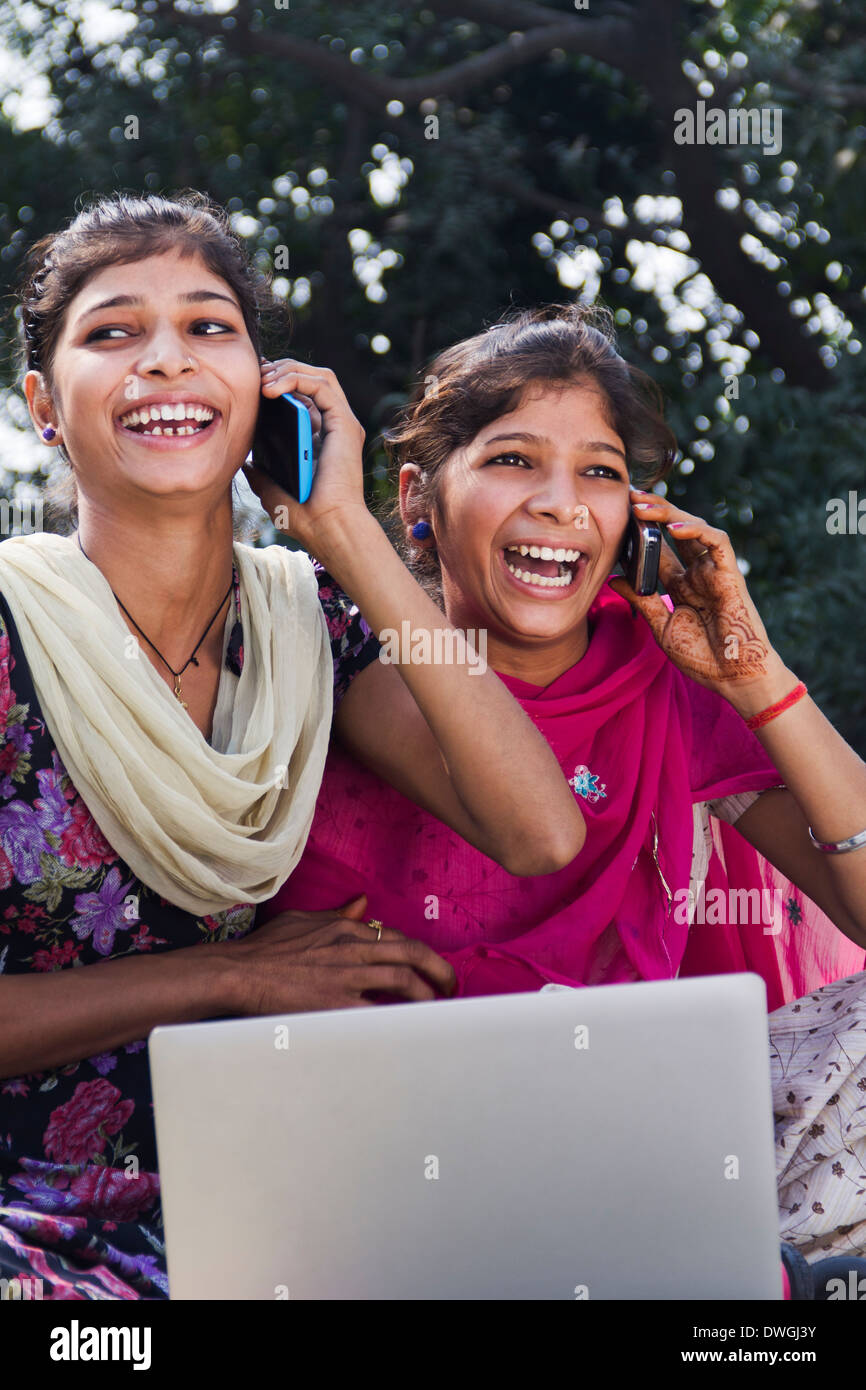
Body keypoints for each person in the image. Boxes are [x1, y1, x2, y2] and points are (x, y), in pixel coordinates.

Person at [0, 196, 587, 1301]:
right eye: (114, 332)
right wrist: (227, 975)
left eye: (210, 328)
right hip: (27, 1213)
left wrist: (345, 529)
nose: (167, 361)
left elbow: (538, 828)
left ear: (262, 394)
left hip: (276, 1179)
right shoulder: (7, 632)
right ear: (43, 405)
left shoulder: (308, 621)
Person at [266, 304, 866, 1263]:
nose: (562, 502)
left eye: (602, 472)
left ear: (635, 519)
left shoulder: (664, 677)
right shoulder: (352, 660)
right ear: (417, 498)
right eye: (512, 460)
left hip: (636, 1138)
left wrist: (752, 670)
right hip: (382, 1148)